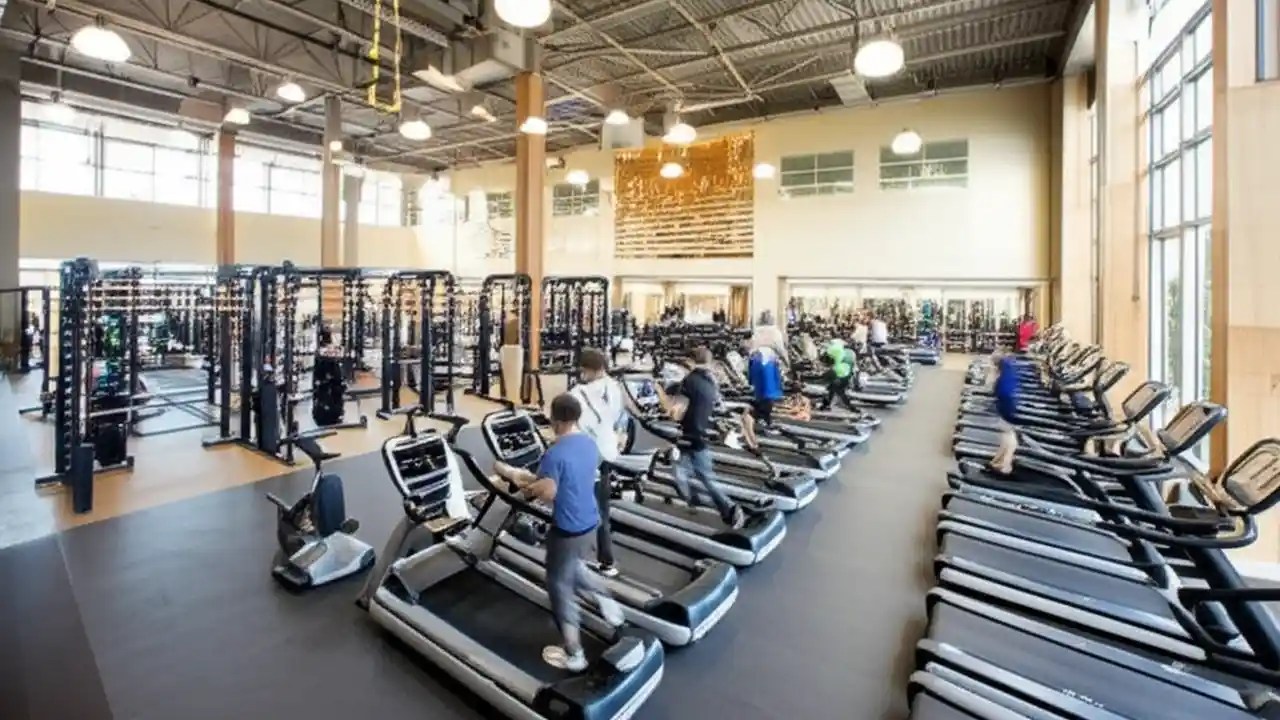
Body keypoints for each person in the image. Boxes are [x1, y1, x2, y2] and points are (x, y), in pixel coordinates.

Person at [494, 393, 625, 672]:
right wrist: (526, 476)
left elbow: (548, 493)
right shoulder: (589, 444)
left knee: (559, 586)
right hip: (592, 523)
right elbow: (571, 479)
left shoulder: (555, 454)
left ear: (555, 420)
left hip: (569, 529)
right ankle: (603, 597)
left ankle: (575, 653)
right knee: (572, 567)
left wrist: (523, 483)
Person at [654, 347, 747, 528]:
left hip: (691, 435)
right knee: (681, 470)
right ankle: (693, 500)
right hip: (701, 432)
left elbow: (675, 414)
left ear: (690, 361)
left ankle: (730, 509)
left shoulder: (689, 381)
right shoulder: (710, 380)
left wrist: (659, 392)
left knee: (704, 476)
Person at [569, 348, 629, 578]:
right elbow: (621, 418)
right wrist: (619, 437)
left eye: (582, 369)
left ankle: (579, 557)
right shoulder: (614, 386)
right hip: (607, 453)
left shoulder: (578, 393)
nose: (581, 373)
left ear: (588, 369)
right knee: (602, 508)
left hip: (586, 457)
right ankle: (606, 561)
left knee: (581, 508)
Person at [988, 352, 1021, 474]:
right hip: (1007, 409)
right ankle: (1003, 464)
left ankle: (1000, 462)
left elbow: (996, 389)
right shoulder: (1007, 372)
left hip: (1005, 409)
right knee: (1010, 439)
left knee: (1008, 438)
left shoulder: (1002, 374)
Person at [747, 344, 785, 426]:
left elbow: (750, 372)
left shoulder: (755, 355)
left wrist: (750, 381)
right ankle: (765, 419)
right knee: (767, 402)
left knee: (762, 400)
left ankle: (763, 418)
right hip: (768, 385)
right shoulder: (770, 355)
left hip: (761, 384)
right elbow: (777, 371)